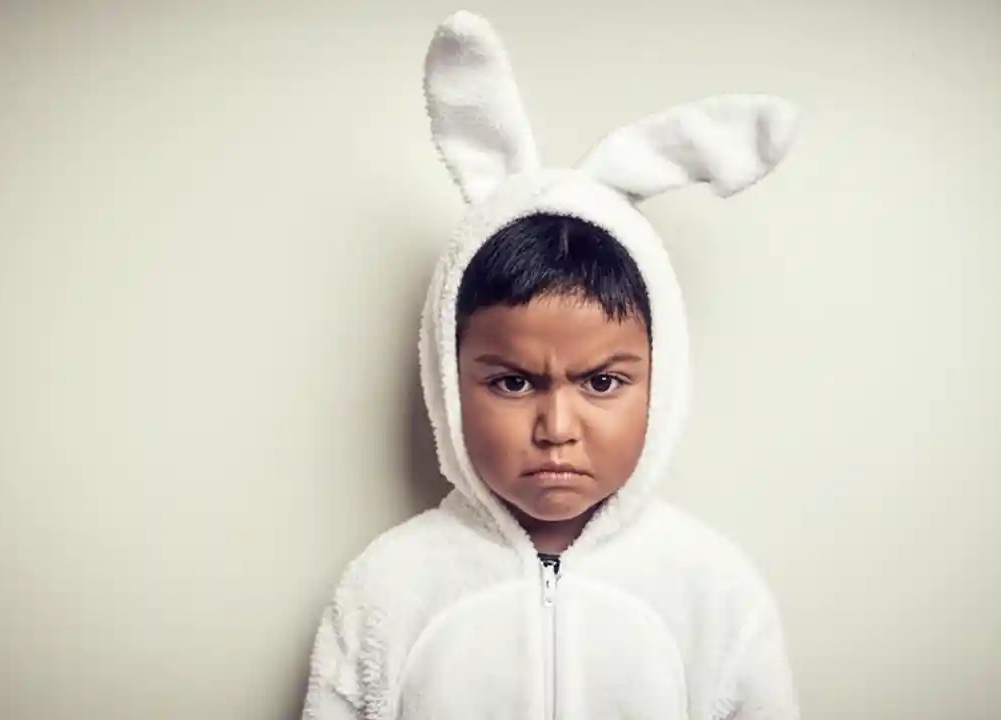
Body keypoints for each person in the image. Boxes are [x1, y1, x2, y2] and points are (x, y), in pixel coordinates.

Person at [302, 10, 801, 719]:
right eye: (513, 382)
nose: (557, 427)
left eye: (602, 382)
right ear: (448, 380)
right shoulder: (388, 589)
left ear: (662, 384)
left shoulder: (714, 592)